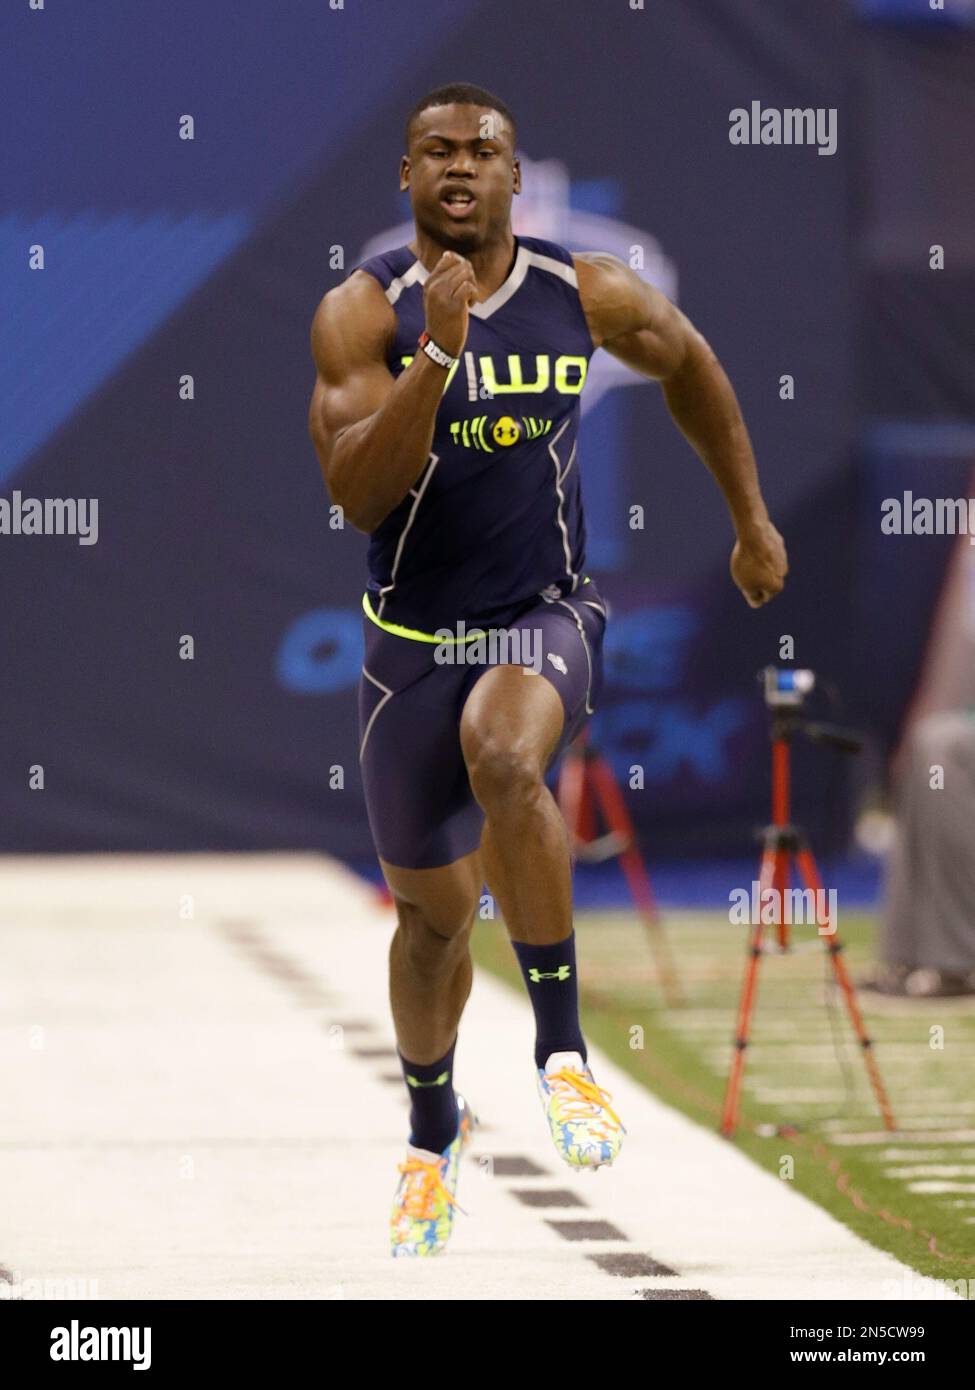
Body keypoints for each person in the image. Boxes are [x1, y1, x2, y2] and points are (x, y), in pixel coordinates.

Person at [308, 83, 787, 1257]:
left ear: (517, 176)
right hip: (409, 650)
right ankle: (433, 1134)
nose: (462, 168)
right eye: (438, 153)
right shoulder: (359, 317)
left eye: (485, 151)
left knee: (509, 756)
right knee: (429, 927)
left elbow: (693, 366)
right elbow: (359, 494)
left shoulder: (588, 292)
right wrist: (436, 360)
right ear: (407, 178)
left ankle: (562, 1051)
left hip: (542, 616)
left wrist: (750, 521)